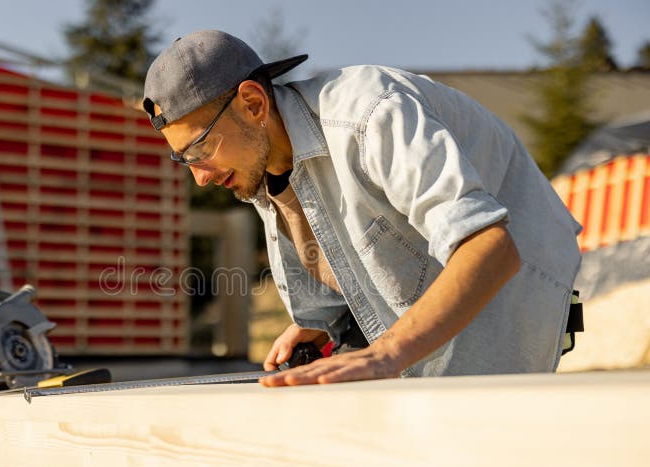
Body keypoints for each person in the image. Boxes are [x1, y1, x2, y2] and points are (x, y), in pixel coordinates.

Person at [142, 30, 583, 387]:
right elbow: (365, 252)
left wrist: (387, 353)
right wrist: (325, 323)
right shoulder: (260, 168)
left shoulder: (370, 114)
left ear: (253, 103)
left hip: (510, 305)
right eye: (184, 159)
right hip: (421, 339)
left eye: (200, 149)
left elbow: (489, 248)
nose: (199, 176)